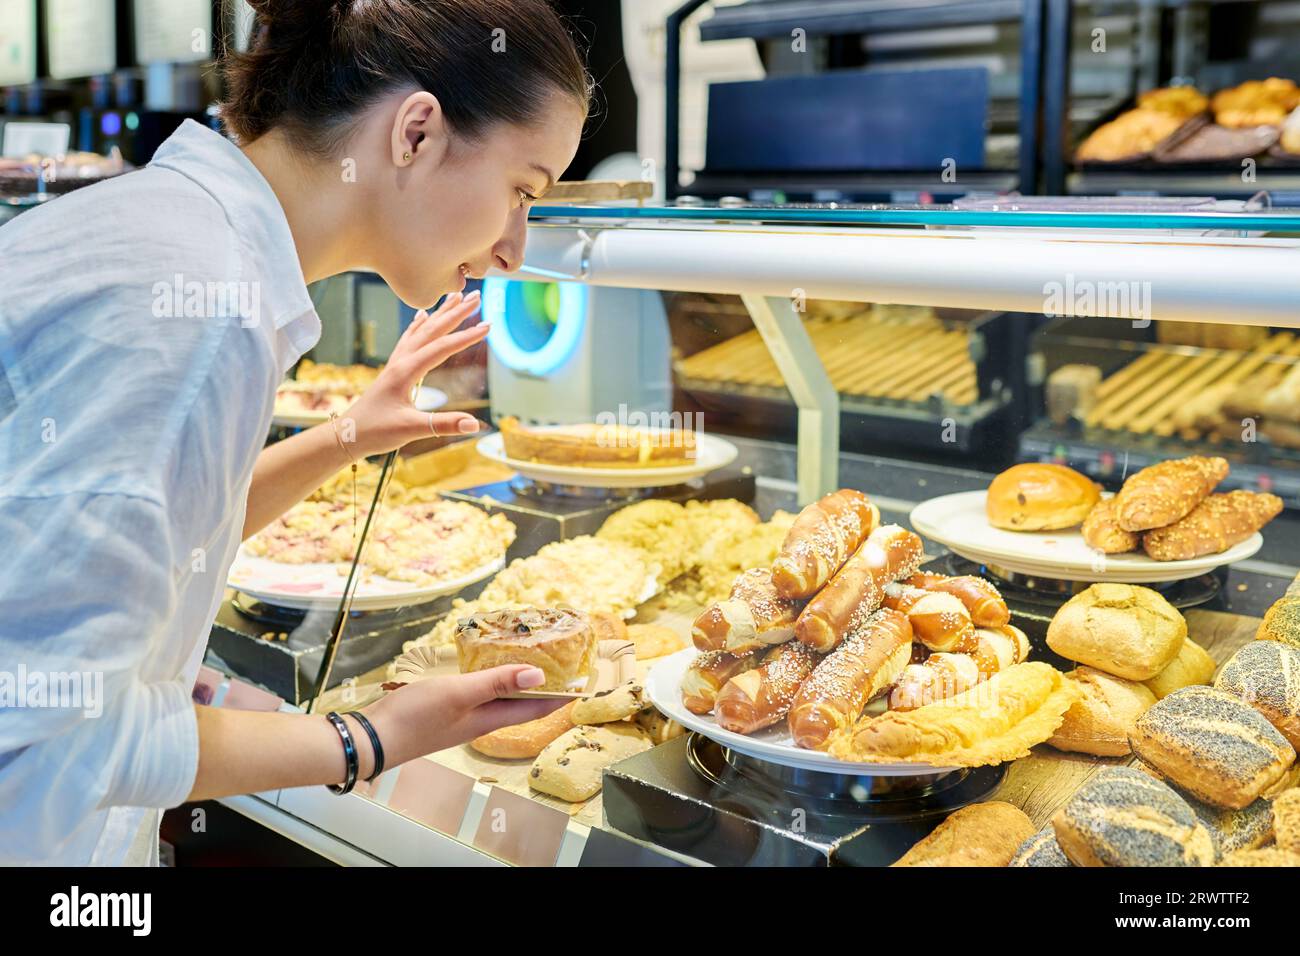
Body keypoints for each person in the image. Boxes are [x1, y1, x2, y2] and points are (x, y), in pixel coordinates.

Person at [0, 0, 591, 865]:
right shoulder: (197, 309)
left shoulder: (179, 240)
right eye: (522, 191)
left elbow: (147, 533)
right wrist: (364, 740)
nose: (515, 250)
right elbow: (50, 740)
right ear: (417, 133)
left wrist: (347, 434)